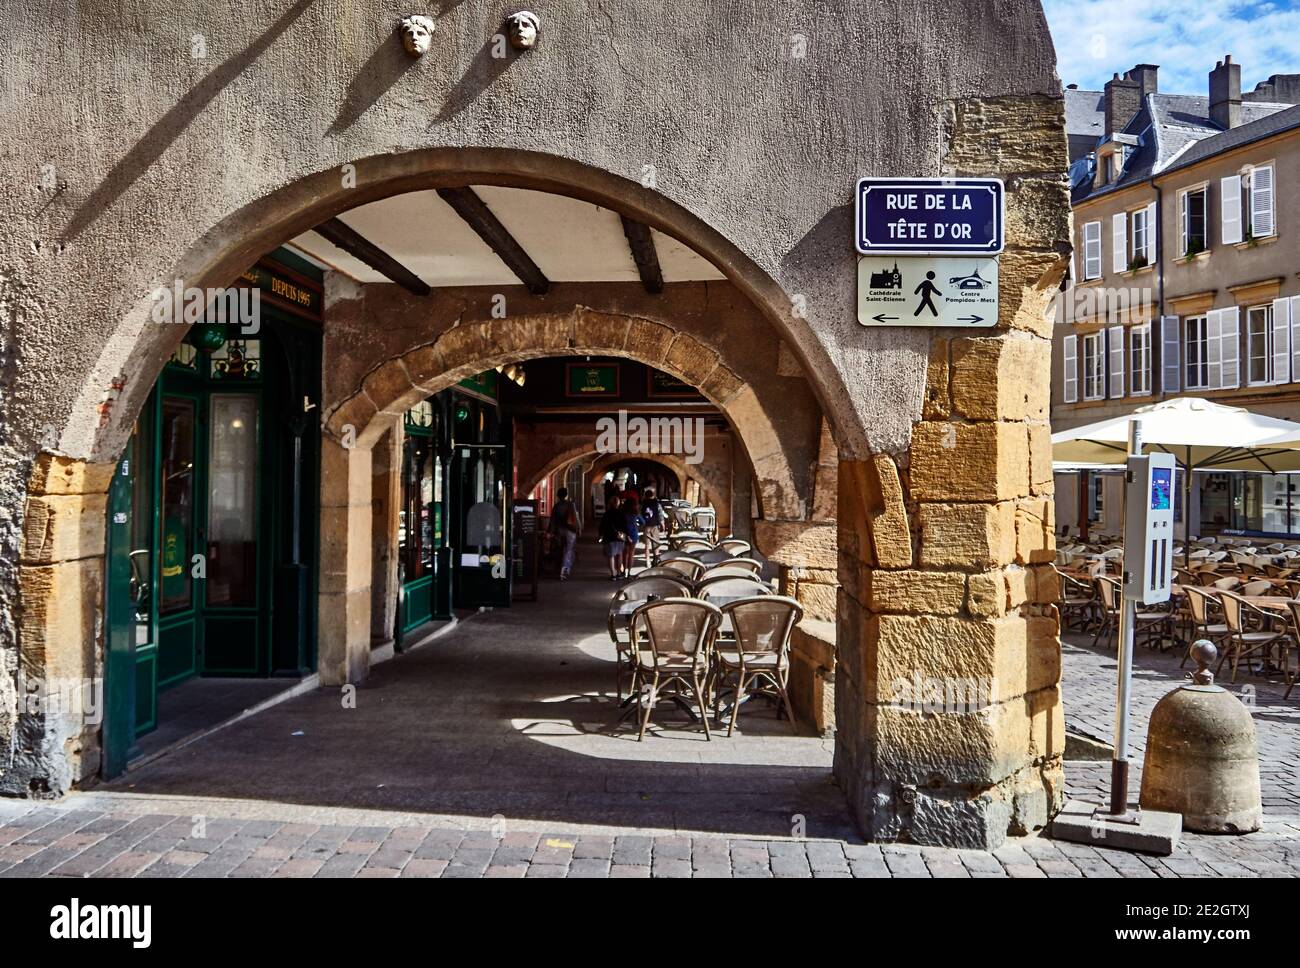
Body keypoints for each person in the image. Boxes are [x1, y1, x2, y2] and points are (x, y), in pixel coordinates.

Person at [548, 487, 579, 581]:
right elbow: (575, 518)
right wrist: (578, 529)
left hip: (559, 531)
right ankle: (564, 571)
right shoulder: (570, 505)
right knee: (568, 550)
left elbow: (552, 521)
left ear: (558, 495)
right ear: (566, 495)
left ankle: (558, 569)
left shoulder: (556, 506)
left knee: (559, 550)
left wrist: (550, 532)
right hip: (570, 531)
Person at [599, 495, 628, 580]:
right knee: (619, 555)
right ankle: (619, 573)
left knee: (610, 556)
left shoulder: (607, 513)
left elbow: (602, 525)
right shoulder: (621, 513)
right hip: (620, 537)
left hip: (609, 536)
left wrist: (601, 534)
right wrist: (626, 534)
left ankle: (613, 574)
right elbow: (625, 526)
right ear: (618, 503)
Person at [640, 487, 665, 565]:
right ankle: (655, 560)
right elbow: (660, 515)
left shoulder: (643, 503)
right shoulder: (657, 503)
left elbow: (640, 514)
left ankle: (647, 561)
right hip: (655, 525)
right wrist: (663, 525)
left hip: (646, 526)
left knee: (647, 545)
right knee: (656, 544)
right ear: (653, 495)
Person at [621, 493, 641, 577]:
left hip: (624, 535)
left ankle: (623, 571)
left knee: (624, 554)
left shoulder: (622, 513)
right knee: (631, 554)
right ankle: (629, 572)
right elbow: (643, 522)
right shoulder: (636, 514)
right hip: (633, 535)